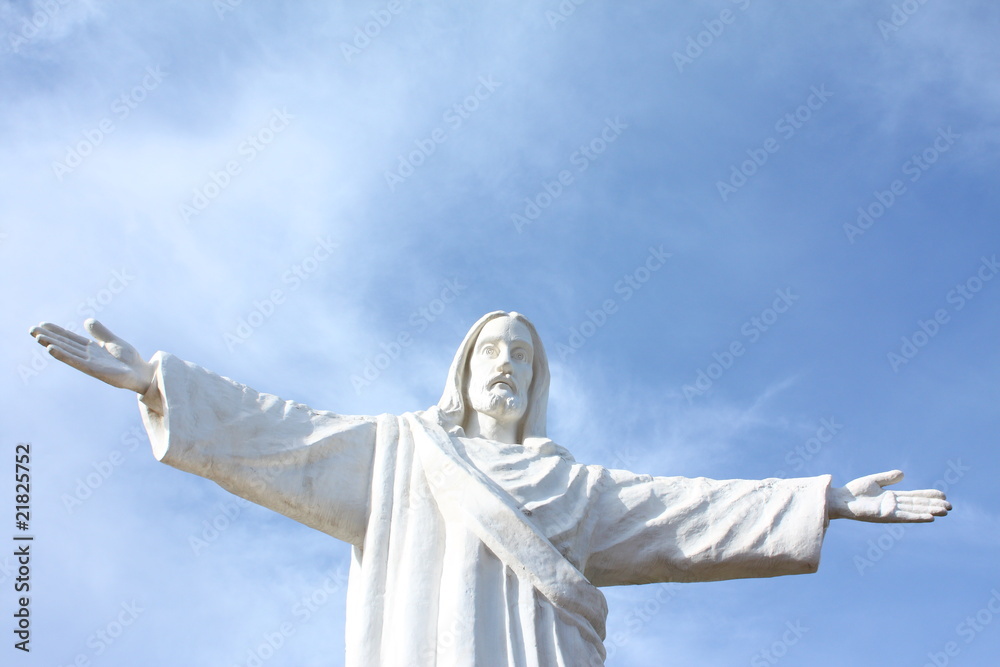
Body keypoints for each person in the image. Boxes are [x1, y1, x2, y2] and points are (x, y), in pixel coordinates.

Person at [30, 312, 950, 666]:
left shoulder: (575, 487)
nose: (506, 364)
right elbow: (284, 435)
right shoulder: (398, 454)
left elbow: (686, 514)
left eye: (523, 355)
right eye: (492, 350)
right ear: (463, 370)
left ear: (537, 382)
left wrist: (820, 498)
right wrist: (161, 383)